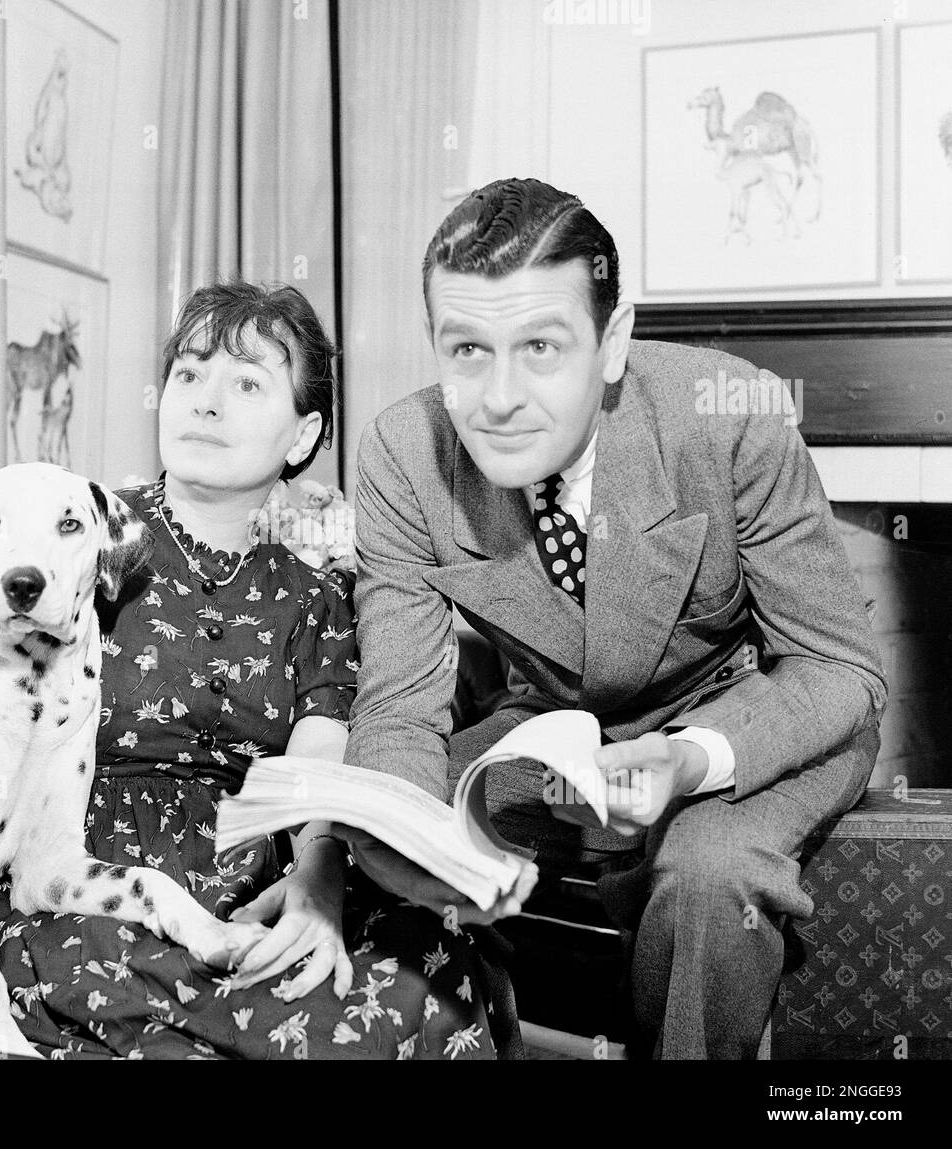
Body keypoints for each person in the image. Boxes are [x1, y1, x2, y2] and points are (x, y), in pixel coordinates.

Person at [0, 280, 519, 1059]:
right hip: (76, 886)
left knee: (424, 975)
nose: (205, 401)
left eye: (246, 382)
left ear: (302, 432)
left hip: (251, 882)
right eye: (188, 373)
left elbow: (320, 763)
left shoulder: (316, 597)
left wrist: (317, 884)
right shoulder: (67, 526)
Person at [338, 177, 887, 1059]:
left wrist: (690, 759)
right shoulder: (404, 453)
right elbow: (400, 709)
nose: (499, 396)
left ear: (614, 341)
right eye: (467, 349)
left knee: (708, 872)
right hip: (559, 731)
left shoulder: (729, 415)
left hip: (753, 713)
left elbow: (840, 670)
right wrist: (399, 843)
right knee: (379, 820)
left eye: (542, 347)